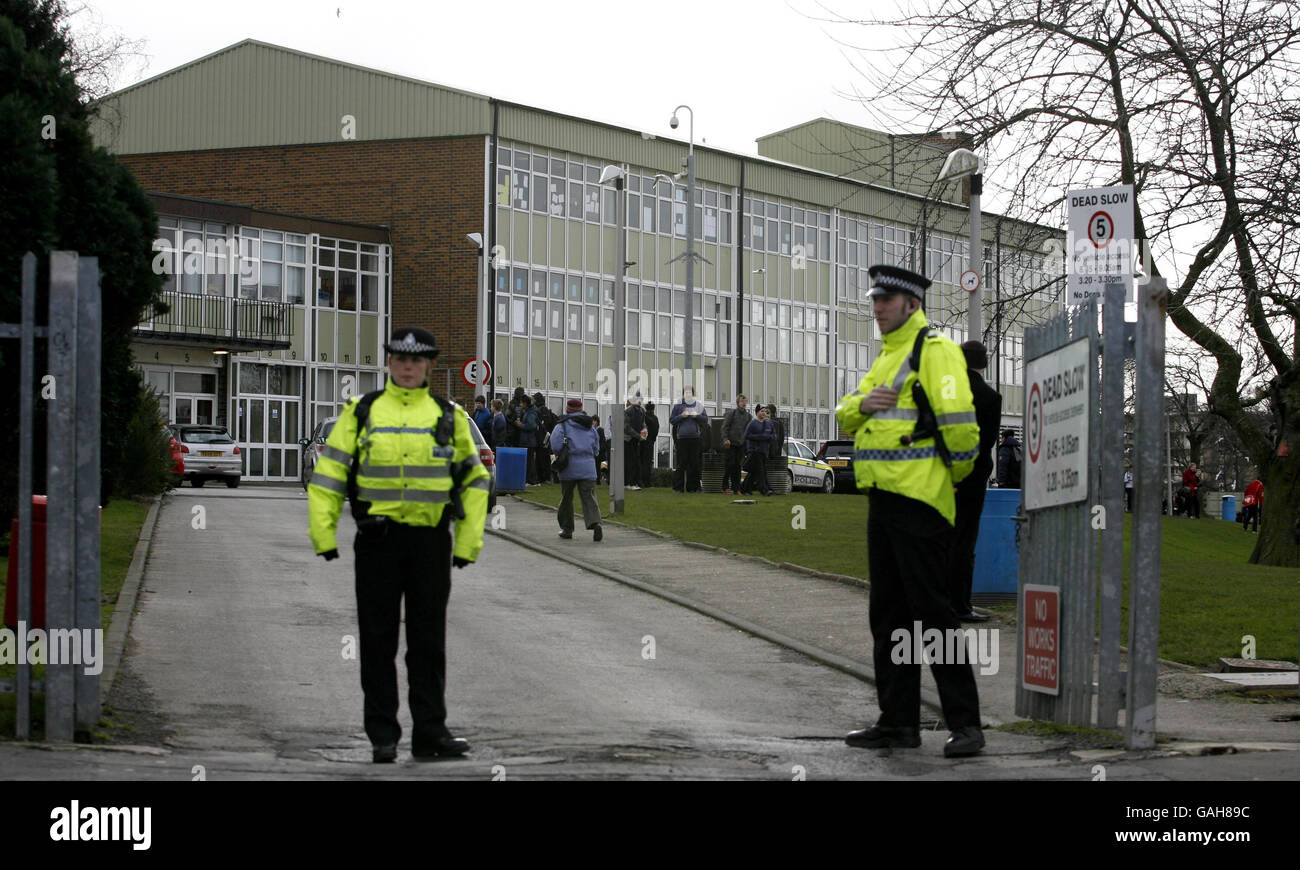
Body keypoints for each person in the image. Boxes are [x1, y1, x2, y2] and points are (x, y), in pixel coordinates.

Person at [308, 326, 490, 763]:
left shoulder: (448, 416)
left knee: (428, 643)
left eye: (416, 360)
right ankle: (383, 737)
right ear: (389, 362)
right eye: (399, 359)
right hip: (377, 543)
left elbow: (474, 482)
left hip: (430, 544)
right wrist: (323, 532)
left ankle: (430, 734)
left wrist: (468, 543)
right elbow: (329, 476)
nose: (407, 367)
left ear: (428, 365)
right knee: (377, 642)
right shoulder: (362, 411)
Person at [834, 264, 984, 759]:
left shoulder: (935, 352)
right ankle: (898, 723)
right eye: (874, 300)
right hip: (883, 502)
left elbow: (962, 431)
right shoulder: (888, 357)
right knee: (890, 619)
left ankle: (966, 725)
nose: (876, 308)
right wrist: (867, 406)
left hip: (920, 503)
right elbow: (847, 412)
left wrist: (947, 481)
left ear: (911, 304)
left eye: (885, 301)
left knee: (934, 617)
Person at [949, 341, 1001, 623]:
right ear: (983, 363)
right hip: (971, 477)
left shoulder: (945, 392)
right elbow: (987, 441)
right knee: (965, 540)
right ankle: (960, 604)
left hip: (941, 474)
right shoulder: (989, 397)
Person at [550, 398, 603, 542]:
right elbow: (596, 448)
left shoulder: (562, 426)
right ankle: (595, 523)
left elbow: (555, 445)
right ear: (581, 409)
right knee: (589, 497)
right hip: (588, 468)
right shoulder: (590, 426)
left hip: (568, 467)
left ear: (568, 409)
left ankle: (567, 529)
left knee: (567, 498)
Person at [670, 387, 709, 493]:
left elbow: (705, 419)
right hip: (681, 439)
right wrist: (681, 416)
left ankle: (693, 488)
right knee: (681, 463)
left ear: (693, 394)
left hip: (695, 438)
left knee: (694, 463)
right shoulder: (678, 406)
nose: (688, 394)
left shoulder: (699, 405)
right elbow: (672, 420)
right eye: (686, 392)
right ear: (683, 394)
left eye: (690, 392)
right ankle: (678, 488)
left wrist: (696, 416)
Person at [739, 405, 775, 496]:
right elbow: (746, 435)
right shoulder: (753, 423)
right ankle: (764, 490)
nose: (763, 413)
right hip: (755, 450)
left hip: (764, 451)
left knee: (754, 471)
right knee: (760, 471)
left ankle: (744, 488)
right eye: (761, 411)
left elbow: (774, 435)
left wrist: (768, 437)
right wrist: (759, 437)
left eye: (765, 411)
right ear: (757, 412)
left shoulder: (769, 423)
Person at [721, 395, 752, 494]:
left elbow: (749, 431)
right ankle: (725, 487)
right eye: (742, 401)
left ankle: (736, 488)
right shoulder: (732, 413)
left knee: (738, 466)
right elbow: (724, 427)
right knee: (730, 465)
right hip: (730, 443)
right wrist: (725, 439)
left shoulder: (748, 416)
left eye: (745, 401)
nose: (744, 403)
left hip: (741, 444)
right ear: (738, 403)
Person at [514, 394, 539, 485]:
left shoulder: (531, 412)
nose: (520, 405)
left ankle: (531, 480)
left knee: (529, 461)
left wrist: (521, 425)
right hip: (527, 440)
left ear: (525, 403)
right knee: (528, 461)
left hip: (529, 440)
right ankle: (529, 479)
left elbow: (531, 425)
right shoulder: (528, 410)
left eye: (521, 403)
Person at [624, 394, 647, 490]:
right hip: (628, 439)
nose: (639, 401)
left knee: (635, 461)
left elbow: (643, 423)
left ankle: (633, 482)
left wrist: (645, 430)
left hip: (636, 439)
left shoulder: (642, 411)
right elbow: (626, 427)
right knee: (629, 461)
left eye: (641, 399)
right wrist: (638, 436)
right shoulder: (628, 410)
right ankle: (627, 483)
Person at [533, 393, 557, 484]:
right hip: (546, 438)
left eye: (534, 399)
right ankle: (545, 477)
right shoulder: (545, 410)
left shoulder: (540, 410)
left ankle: (543, 477)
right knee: (544, 457)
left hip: (542, 438)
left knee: (541, 458)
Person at [641, 402, 659, 487]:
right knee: (648, 462)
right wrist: (653, 439)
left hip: (643, 442)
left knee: (641, 461)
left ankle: (641, 481)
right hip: (650, 442)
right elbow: (656, 430)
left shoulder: (644, 417)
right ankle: (647, 482)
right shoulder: (655, 418)